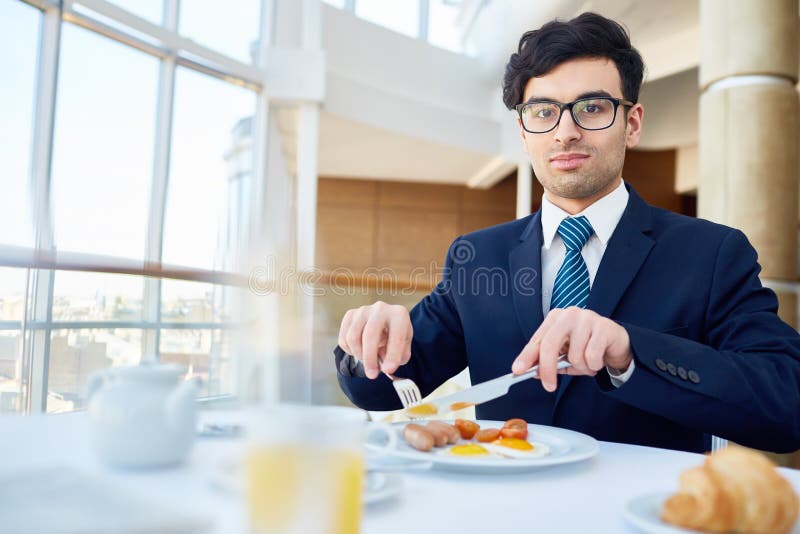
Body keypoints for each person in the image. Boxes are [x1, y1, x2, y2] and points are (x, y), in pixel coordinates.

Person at [333, 12, 800, 454]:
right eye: (543, 111)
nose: (566, 132)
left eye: (592, 108)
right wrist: (367, 345)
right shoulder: (477, 255)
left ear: (631, 123)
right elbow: (383, 391)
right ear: (523, 131)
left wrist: (629, 352)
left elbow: (786, 403)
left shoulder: (712, 254)